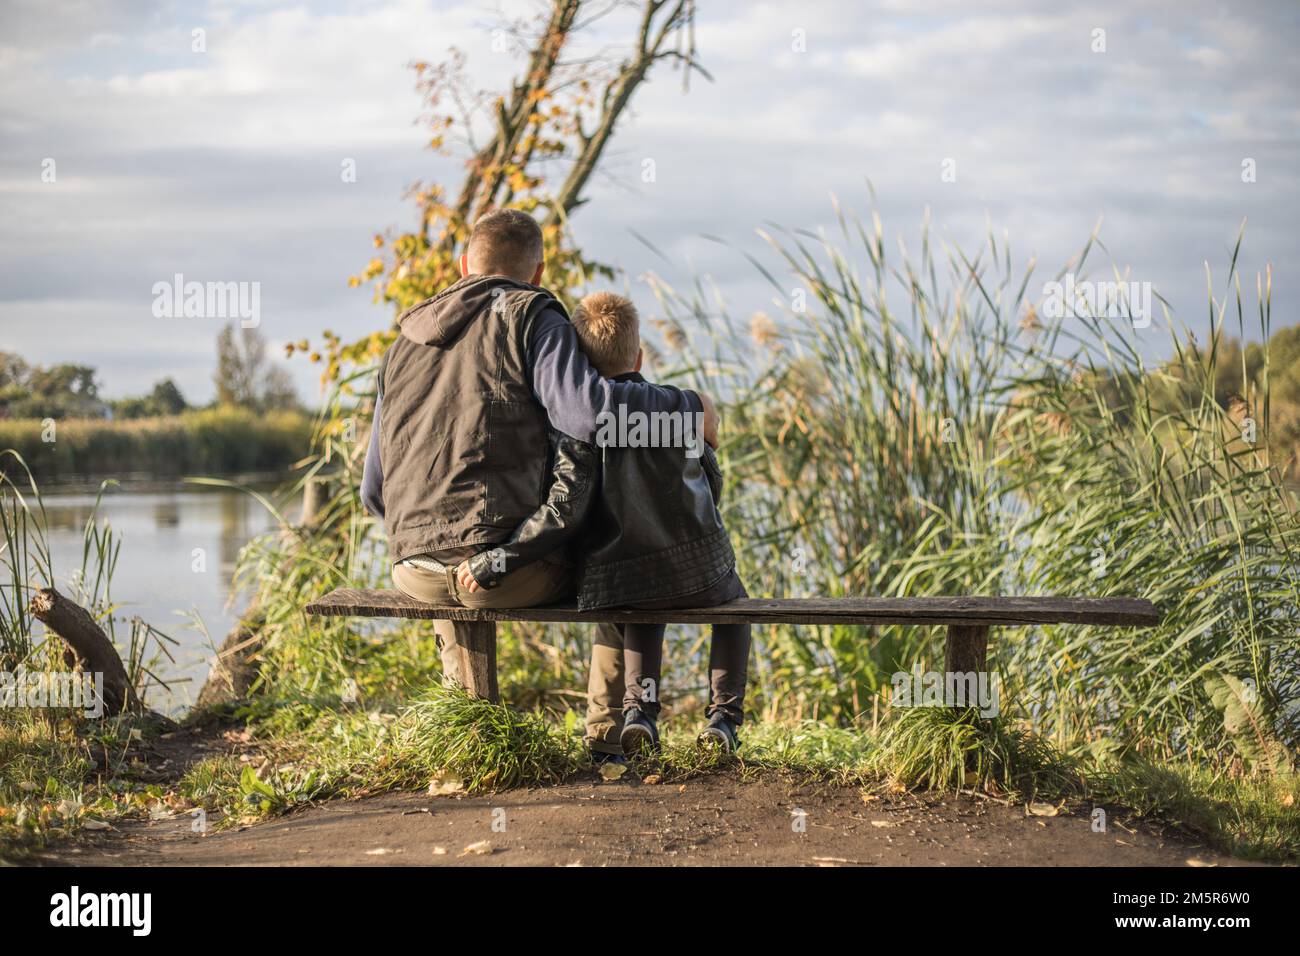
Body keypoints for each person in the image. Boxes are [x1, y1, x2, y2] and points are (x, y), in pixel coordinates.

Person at [360, 211, 718, 690]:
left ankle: (466, 720)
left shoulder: (402, 342)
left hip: (413, 570)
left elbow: (373, 492)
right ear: (539, 272)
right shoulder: (534, 316)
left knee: (459, 561)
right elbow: (591, 417)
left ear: (464, 264)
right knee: (624, 563)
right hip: (504, 574)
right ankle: (610, 737)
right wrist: (689, 408)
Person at [457, 292, 750, 756]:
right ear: (638, 355)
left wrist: (499, 559)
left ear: (579, 362)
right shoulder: (676, 408)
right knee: (735, 609)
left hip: (621, 577)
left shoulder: (578, 427)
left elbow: (563, 512)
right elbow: (712, 482)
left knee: (639, 603)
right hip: (701, 571)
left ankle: (639, 714)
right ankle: (723, 719)